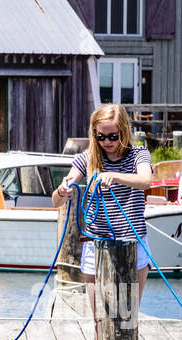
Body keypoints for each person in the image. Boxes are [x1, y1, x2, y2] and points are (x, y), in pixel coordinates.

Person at [53, 103, 153, 314]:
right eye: (101, 137)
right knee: (100, 320)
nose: (107, 142)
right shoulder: (87, 159)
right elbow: (56, 201)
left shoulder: (138, 155)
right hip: (96, 244)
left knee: (127, 318)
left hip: (132, 243)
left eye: (113, 136)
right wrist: (63, 190)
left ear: (123, 132)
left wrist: (114, 176)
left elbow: (145, 180)